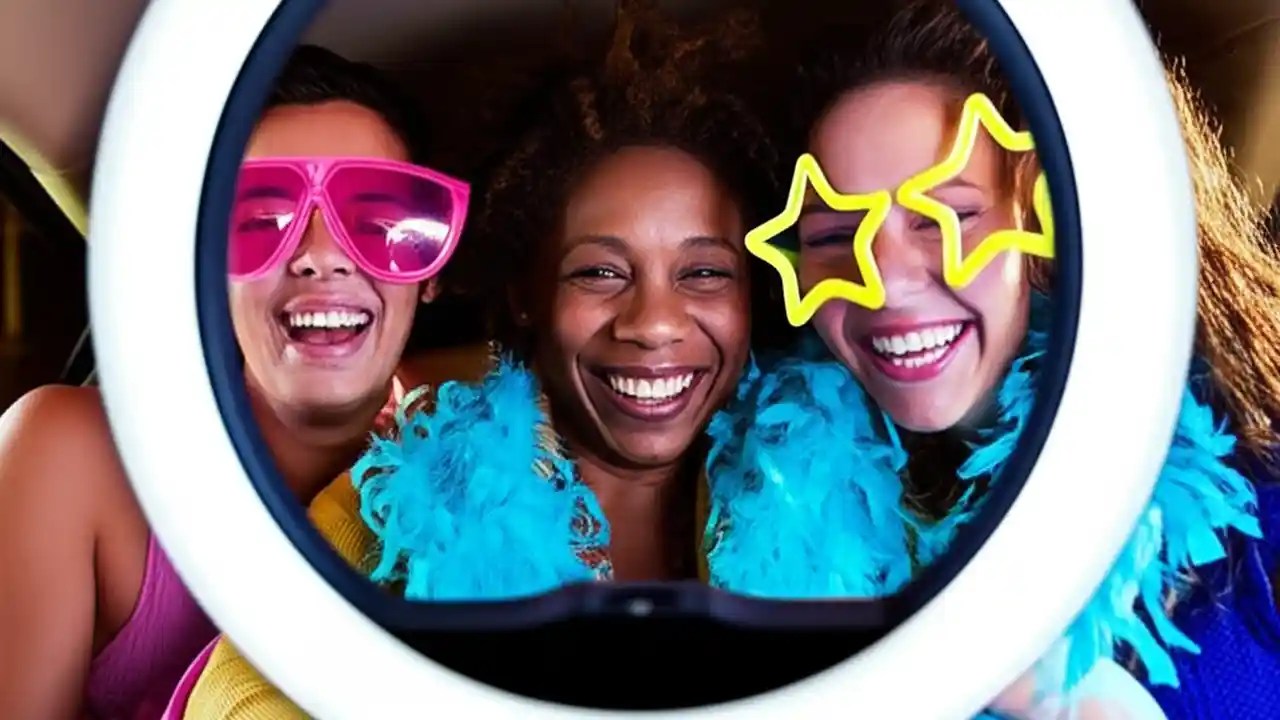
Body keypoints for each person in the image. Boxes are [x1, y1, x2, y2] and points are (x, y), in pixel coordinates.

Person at [175, 5, 789, 717]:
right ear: (527, 295)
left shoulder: (837, 475)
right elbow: (233, 698)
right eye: (598, 273)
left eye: (705, 273)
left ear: (752, 295)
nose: (654, 324)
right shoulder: (404, 484)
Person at [704, 1, 1277, 717]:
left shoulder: (1257, 488)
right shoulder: (760, 516)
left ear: (1047, 217)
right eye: (835, 235)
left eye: (947, 217)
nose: (884, 281)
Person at [0, 44, 469, 720]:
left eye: (376, 220)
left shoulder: (484, 472)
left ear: (431, 270)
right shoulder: (71, 456)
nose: (318, 255)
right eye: (262, 220)